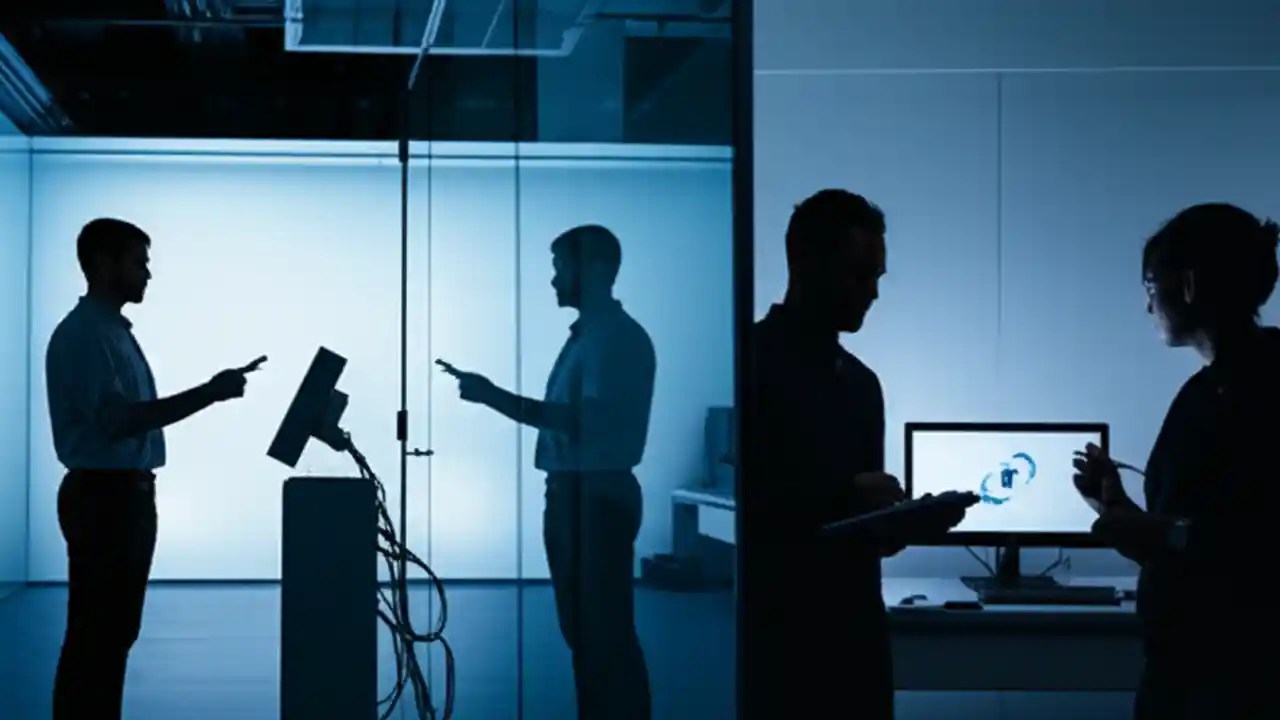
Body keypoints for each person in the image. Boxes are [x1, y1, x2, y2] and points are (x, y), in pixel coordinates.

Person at [745, 189, 971, 719]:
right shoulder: (749, 364)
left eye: (876, 278)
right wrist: (847, 498)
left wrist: (903, 524)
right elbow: (743, 507)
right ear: (803, 263)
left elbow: (864, 535)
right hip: (778, 640)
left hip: (854, 637)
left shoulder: (862, 384)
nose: (871, 293)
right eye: (858, 275)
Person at [46, 218, 265, 720]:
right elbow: (119, 421)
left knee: (108, 633)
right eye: (139, 262)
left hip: (117, 497)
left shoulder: (106, 332)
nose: (148, 274)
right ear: (105, 264)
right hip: (107, 499)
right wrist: (210, 392)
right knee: (99, 635)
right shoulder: (87, 336)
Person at [437, 224, 655, 720]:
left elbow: (586, 423)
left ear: (596, 270)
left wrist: (493, 396)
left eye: (561, 267)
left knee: (601, 638)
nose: (554, 280)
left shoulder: (609, 340)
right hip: (584, 496)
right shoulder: (597, 337)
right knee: (594, 636)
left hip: (590, 499)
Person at [1072, 203, 1280, 719]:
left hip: (1233, 677)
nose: (1148, 308)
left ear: (1186, 286)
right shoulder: (1208, 391)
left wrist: (1156, 532)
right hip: (1194, 665)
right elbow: (1196, 527)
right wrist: (1115, 503)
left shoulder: (1251, 392)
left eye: (1149, 289)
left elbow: (1248, 541)